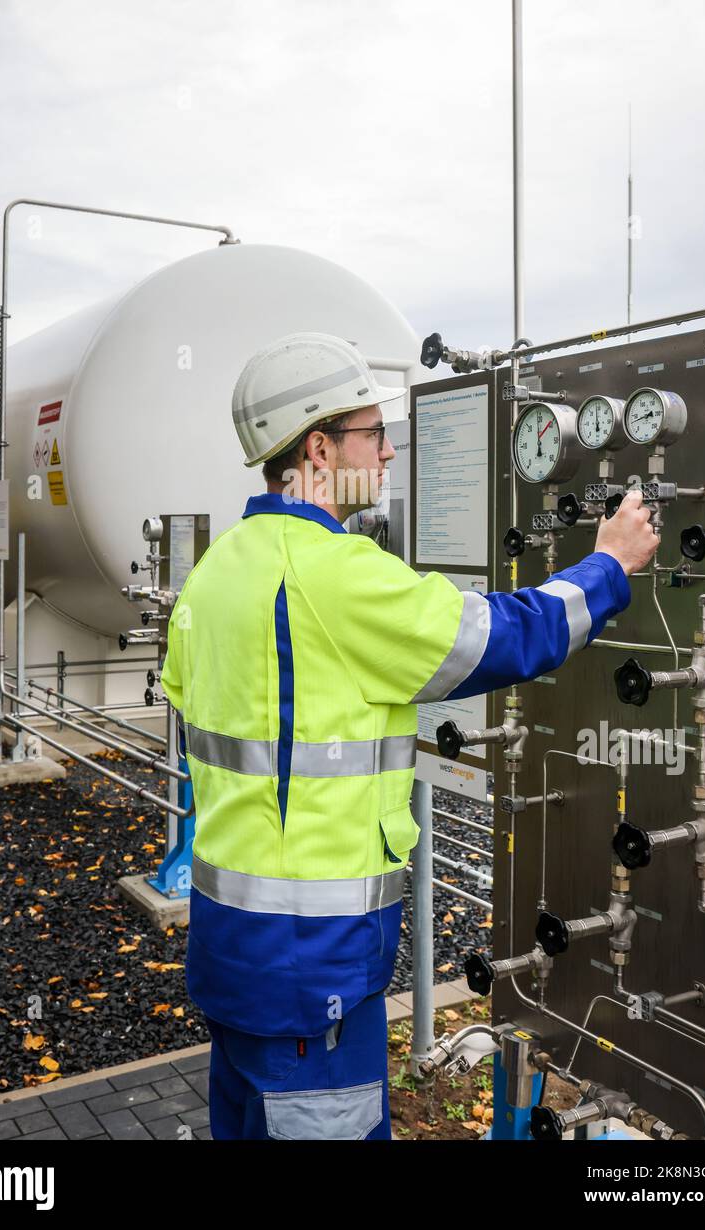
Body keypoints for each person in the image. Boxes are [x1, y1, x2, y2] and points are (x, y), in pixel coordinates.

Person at [160, 331, 658, 1140]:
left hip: (235, 949)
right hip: (310, 966)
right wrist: (608, 565)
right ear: (320, 448)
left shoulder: (219, 568)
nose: (389, 452)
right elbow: (501, 637)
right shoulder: (332, 571)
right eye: (373, 433)